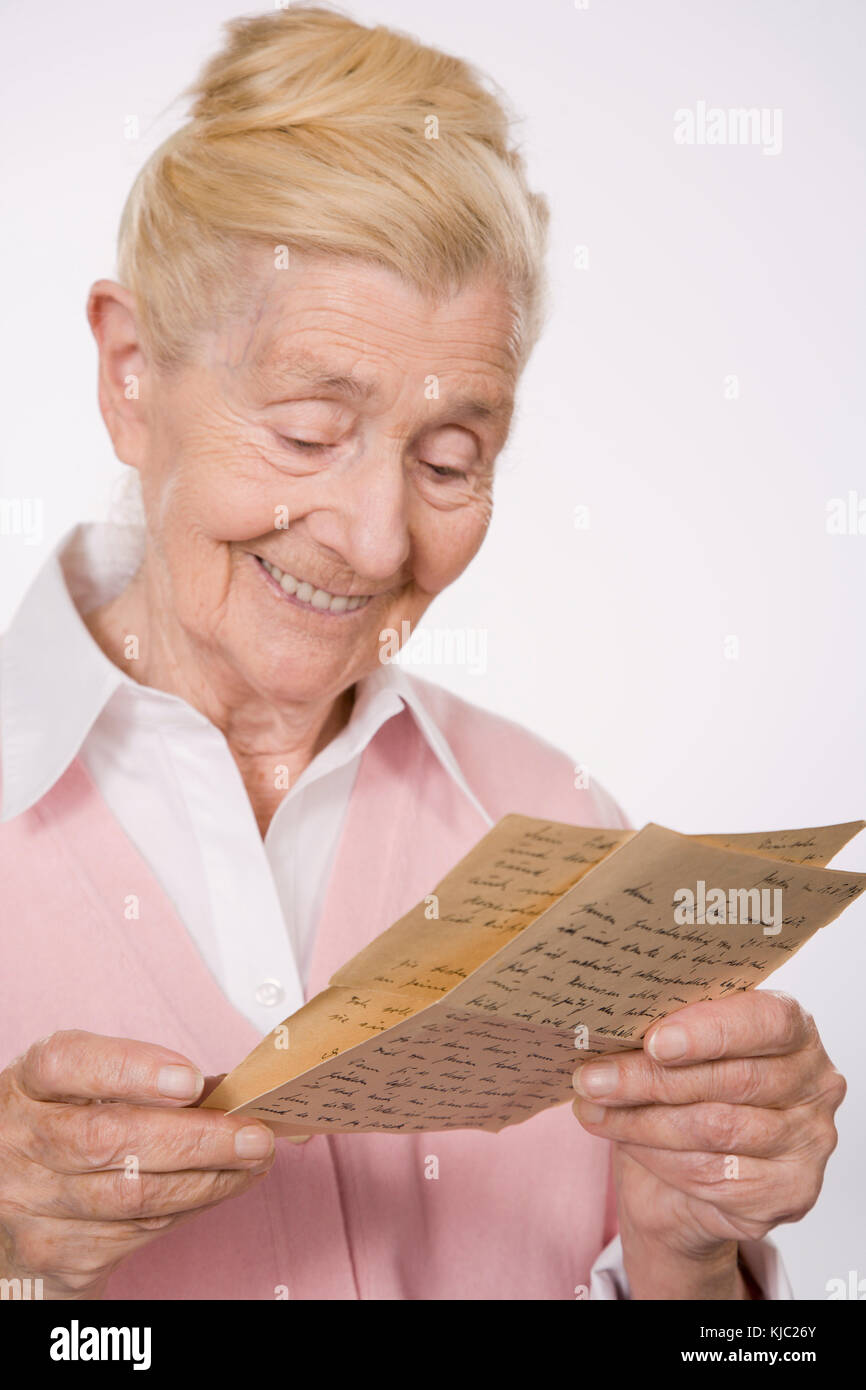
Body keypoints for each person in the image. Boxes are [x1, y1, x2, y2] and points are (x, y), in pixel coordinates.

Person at [0, 5, 841, 1300]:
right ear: (128, 372)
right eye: (303, 428)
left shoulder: (562, 836)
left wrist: (687, 1255)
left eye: (451, 459)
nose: (378, 535)